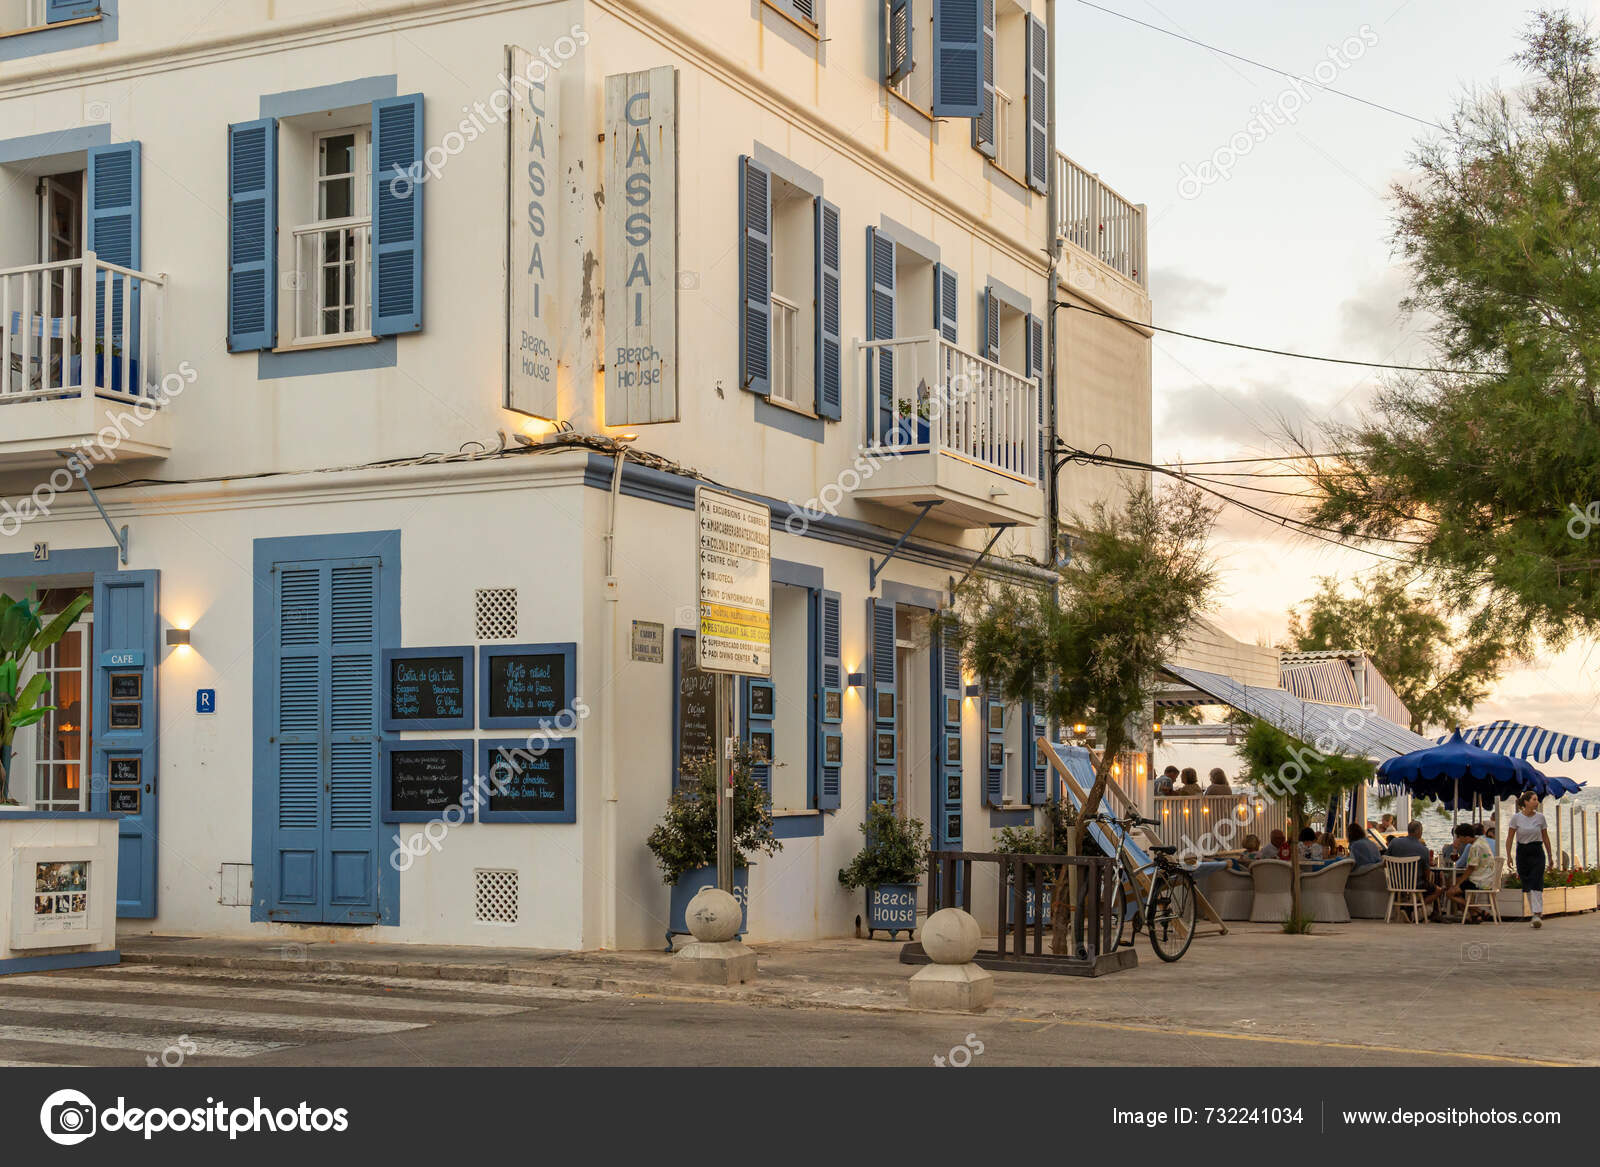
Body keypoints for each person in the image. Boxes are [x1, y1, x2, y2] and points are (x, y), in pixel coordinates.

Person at [1509, 791, 1554, 929]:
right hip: (1522, 851)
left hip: (1537, 851)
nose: (1537, 802)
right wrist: (1508, 855)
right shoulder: (1516, 818)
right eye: (1534, 799)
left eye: (1537, 799)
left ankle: (1537, 913)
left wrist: (1551, 856)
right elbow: (1510, 838)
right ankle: (1535, 912)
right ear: (1526, 802)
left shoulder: (1540, 818)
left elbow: (1545, 837)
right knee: (1527, 882)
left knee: (1536, 880)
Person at [1444, 825, 1496, 923]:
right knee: (1458, 885)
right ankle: (1475, 915)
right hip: (1488, 879)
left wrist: (1458, 884)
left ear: (1465, 837)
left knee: (1450, 892)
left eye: (1459, 837)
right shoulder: (1481, 841)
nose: (1459, 839)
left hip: (1480, 882)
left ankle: (1478, 911)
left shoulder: (1475, 847)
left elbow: (1470, 868)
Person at [1384, 821, 1436, 918]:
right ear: (1419, 832)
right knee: (1438, 889)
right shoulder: (1423, 849)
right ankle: (1410, 909)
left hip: (1395, 883)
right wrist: (1427, 879)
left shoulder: (1394, 842)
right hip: (1415, 884)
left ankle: (1407, 908)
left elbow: (1385, 861)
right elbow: (1427, 872)